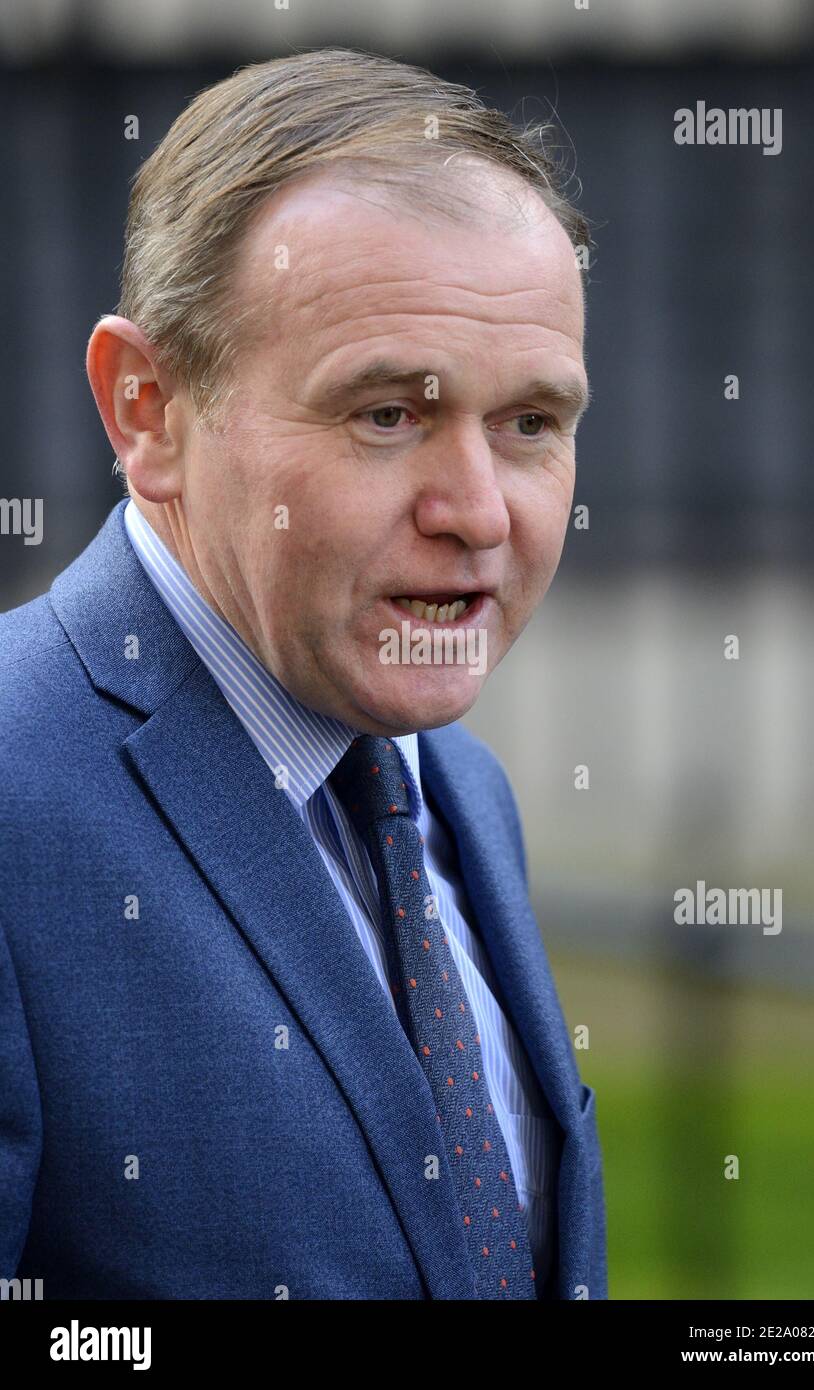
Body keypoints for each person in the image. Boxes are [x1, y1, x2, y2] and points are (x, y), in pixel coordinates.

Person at [0, 47, 605, 1300]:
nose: (478, 511)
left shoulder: (455, 792)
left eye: (529, 423)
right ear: (147, 411)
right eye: (387, 414)